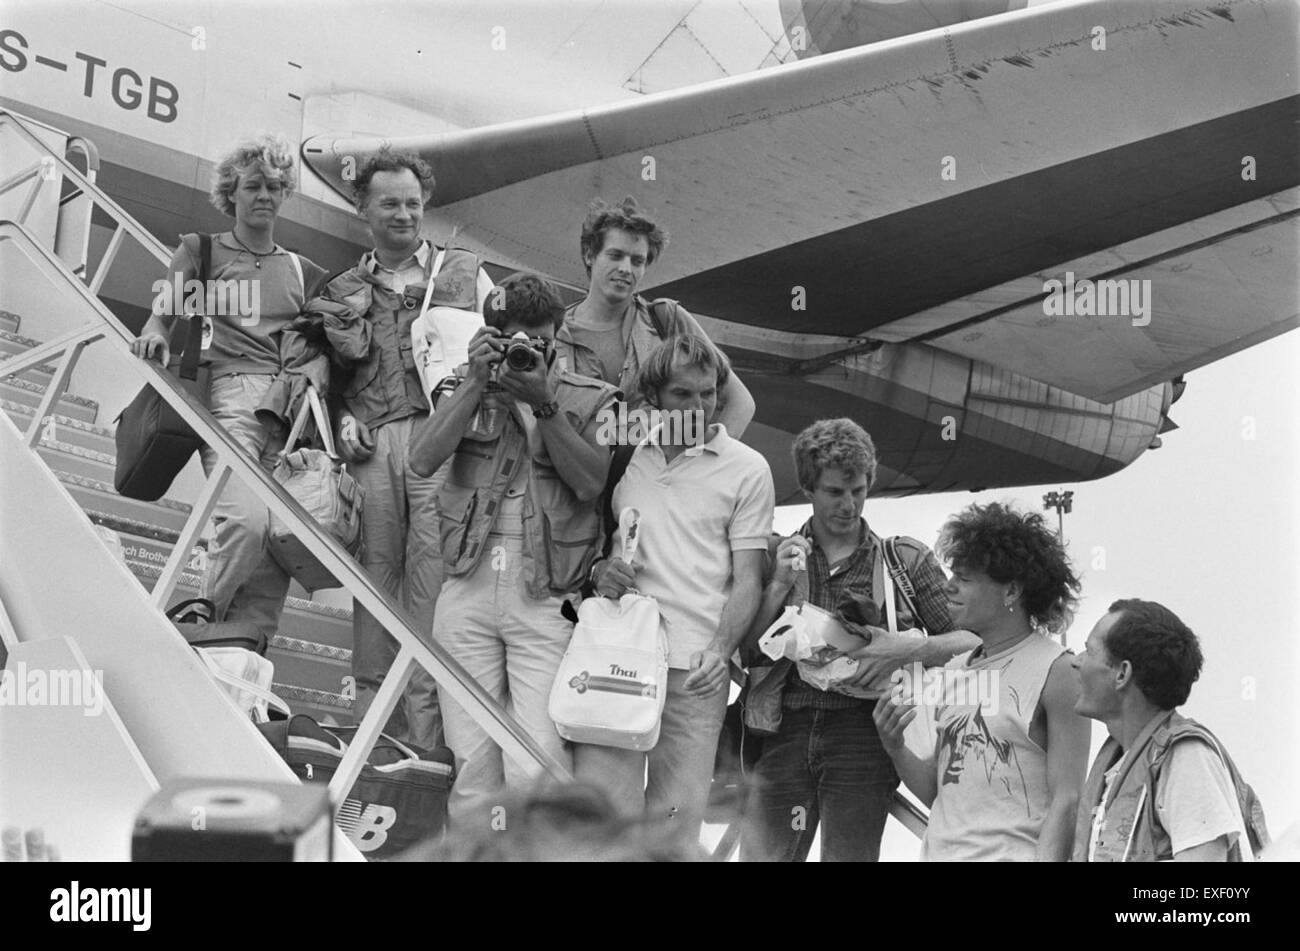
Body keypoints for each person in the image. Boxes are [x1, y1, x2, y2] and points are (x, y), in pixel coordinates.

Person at [408, 272, 618, 825]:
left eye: (540, 341)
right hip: (467, 585)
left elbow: (591, 483)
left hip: (547, 592)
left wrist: (545, 405)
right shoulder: (465, 384)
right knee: (471, 767)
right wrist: (477, 383)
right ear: (488, 336)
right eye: (513, 340)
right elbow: (422, 459)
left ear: (559, 334)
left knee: (539, 767)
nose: (527, 350)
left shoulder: (592, 398)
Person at [304, 150, 492, 750]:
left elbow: (510, 343)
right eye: (389, 203)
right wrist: (340, 421)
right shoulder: (338, 291)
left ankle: (431, 740)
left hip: (446, 443)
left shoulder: (465, 271)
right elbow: (314, 384)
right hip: (372, 447)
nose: (405, 213)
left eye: (413, 202)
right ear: (363, 209)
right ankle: (374, 736)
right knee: (377, 582)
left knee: (434, 581)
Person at [739, 418, 979, 862]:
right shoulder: (779, 553)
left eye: (859, 490)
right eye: (835, 492)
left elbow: (974, 642)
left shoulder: (903, 558)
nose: (849, 505)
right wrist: (776, 586)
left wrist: (910, 648)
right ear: (808, 488)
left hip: (866, 732)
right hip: (784, 728)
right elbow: (751, 651)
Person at [575, 334, 774, 834]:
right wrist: (601, 572)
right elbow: (598, 548)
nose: (701, 406)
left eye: (709, 393)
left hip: (696, 669)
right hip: (618, 657)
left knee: (674, 830)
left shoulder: (749, 469)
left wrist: (721, 648)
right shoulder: (627, 457)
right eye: (684, 394)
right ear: (654, 398)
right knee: (603, 822)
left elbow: (749, 578)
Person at [131, 134, 326, 640]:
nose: (265, 195)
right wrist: (154, 335)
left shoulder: (301, 271)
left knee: (275, 547)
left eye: (276, 187)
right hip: (231, 394)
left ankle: (247, 653)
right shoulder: (203, 250)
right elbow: (162, 316)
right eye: (254, 186)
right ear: (232, 194)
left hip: (287, 409)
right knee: (246, 522)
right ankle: (198, 615)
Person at [874, 502, 1091, 861]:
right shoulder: (955, 671)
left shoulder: (1058, 671)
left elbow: (1068, 801)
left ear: (1011, 592)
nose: (948, 588)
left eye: (965, 578)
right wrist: (895, 746)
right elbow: (942, 794)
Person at [1071, 599, 1268, 862]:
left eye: (1089, 651)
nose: (1076, 661)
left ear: (1122, 674)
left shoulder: (1186, 758)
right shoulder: (1121, 756)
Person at [555, 196, 755, 440]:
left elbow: (740, 401)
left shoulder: (665, 320)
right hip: (579, 475)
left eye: (637, 260)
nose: (626, 269)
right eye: (615, 256)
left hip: (656, 474)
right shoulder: (555, 333)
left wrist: (707, 465)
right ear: (589, 255)